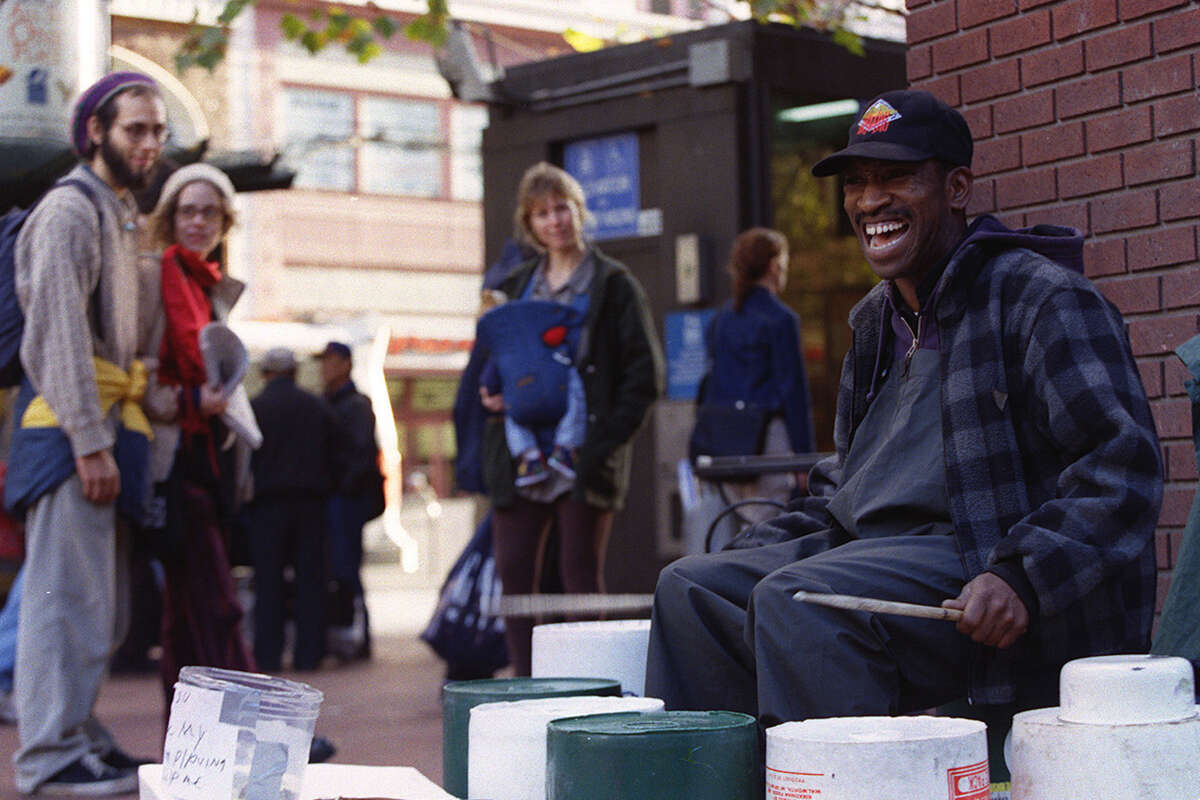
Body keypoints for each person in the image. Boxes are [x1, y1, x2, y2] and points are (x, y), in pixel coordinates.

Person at [645, 90, 1162, 731]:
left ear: (956, 188)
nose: (869, 201)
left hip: (983, 562)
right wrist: (751, 549)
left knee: (799, 604)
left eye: (894, 177)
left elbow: (1123, 471)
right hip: (868, 554)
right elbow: (846, 492)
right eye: (857, 183)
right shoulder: (874, 321)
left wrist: (1024, 578)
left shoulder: (1041, 299)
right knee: (690, 589)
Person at [6, 72, 166, 796]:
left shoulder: (119, 212)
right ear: (95, 132)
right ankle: (48, 758)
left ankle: (79, 736)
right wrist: (88, 440)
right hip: (72, 432)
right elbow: (59, 334)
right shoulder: (70, 211)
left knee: (100, 604)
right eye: (135, 128)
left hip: (103, 427)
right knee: (63, 601)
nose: (149, 143)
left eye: (158, 131)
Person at [480, 162, 663, 675]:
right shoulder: (515, 284)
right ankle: (525, 685)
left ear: (579, 211)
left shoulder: (614, 284)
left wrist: (602, 443)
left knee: (579, 575)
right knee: (515, 578)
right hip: (521, 454)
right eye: (542, 213)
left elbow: (644, 376)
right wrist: (492, 396)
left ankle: (591, 687)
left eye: (562, 208)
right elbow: (492, 362)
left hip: (582, 454)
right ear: (529, 223)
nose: (554, 220)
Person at [145, 163, 256, 707]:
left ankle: (195, 736)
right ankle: (250, 720)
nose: (197, 221)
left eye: (208, 212)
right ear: (170, 218)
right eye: (187, 211)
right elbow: (141, 368)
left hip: (204, 457)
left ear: (223, 222)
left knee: (193, 606)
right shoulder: (162, 270)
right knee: (212, 601)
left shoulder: (205, 281)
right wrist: (190, 400)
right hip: (174, 461)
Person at [689, 228, 815, 534]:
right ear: (774, 266)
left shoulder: (721, 320)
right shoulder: (781, 320)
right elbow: (793, 394)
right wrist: (804, 460)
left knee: (734, 533)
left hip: (726, 445)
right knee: (772, 533)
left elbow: (712, 384)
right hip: (769, 443)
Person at [248, 347, 340, 671]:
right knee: (310, 582)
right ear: (295, 372)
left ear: (265, 373)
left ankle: (267, 654)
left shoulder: (256, 407)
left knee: (268, 582)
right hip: (310, 504)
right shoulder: (316, 407)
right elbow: (335, 454)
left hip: (268, 505)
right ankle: (309, 653)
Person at [477, 294, 588, 486]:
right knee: (576, 393)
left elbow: (489, 383)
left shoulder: (502, 351)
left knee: (514, 411)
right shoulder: (539, 332)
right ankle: (566, 447)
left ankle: (530, 456)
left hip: (523, 401)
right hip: (556, 394)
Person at [316, 340, 378, 661]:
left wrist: (341, 487)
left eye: (329, 361)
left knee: (346, 569)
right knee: (337, 568)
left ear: (344, 364)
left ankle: (357, 637)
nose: (323, 368)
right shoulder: (329, 401)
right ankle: (344, 635)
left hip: (346, 499)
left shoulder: (354, 405)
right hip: (337, 497)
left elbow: (361, 455)